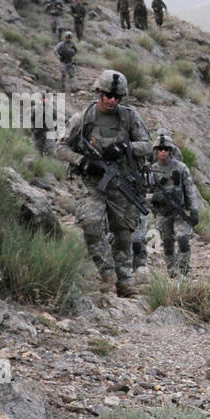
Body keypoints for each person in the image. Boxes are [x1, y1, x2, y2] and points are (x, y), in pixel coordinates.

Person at [56, 68, 152, 297]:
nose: (111, 100)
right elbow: (60, 148)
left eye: (116, 97)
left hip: (121, 182)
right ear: (99, 92)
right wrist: (84, 162)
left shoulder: (129, 117)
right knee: (90, 222)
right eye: (107, 95)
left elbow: (147, 145)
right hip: (92, 183)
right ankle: (107, 273)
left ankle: (125, 282)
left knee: (123, 233)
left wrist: (126, 147)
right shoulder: (83, 118)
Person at [148, 131, 201, 277]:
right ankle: (172, 270)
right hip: (162, 212)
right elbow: (143, 194)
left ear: (171, 151)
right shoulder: (151, 171)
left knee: (183, 239)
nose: (163, 152)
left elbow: (190, 189)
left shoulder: (181, 168)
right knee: (168, 242)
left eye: (166, 149)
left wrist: (194, 210)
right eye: (160, 149)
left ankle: (183, 268)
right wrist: (155, 196)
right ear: (156, 151)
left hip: (180, 211)